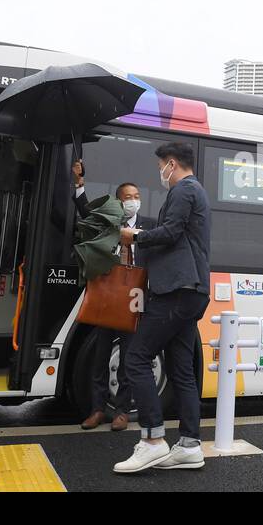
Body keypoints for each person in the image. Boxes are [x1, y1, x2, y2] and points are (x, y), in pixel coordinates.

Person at [112, 142, 210, 473]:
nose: (160, 173)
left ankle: (153, 440)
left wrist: (134, 236)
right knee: (181, 368)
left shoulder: (184, 190)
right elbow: (177, 237)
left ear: (171, 164)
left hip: (176, 291)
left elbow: (169, 234)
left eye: (160, 167)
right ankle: (189, 446)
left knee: (136, 357)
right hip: (190, 290)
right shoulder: (195, 191)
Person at [80, 182, 155, 431]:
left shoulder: (150, 227)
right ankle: (97, 410)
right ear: (119, 201)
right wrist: (80, 188)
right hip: (108, 298)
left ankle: (121, 412)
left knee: (128, 358)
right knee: (100, 357)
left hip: (134, 298)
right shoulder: (108, 224)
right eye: (127, 197)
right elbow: (85, 217)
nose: (133, 201)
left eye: (136, 196)